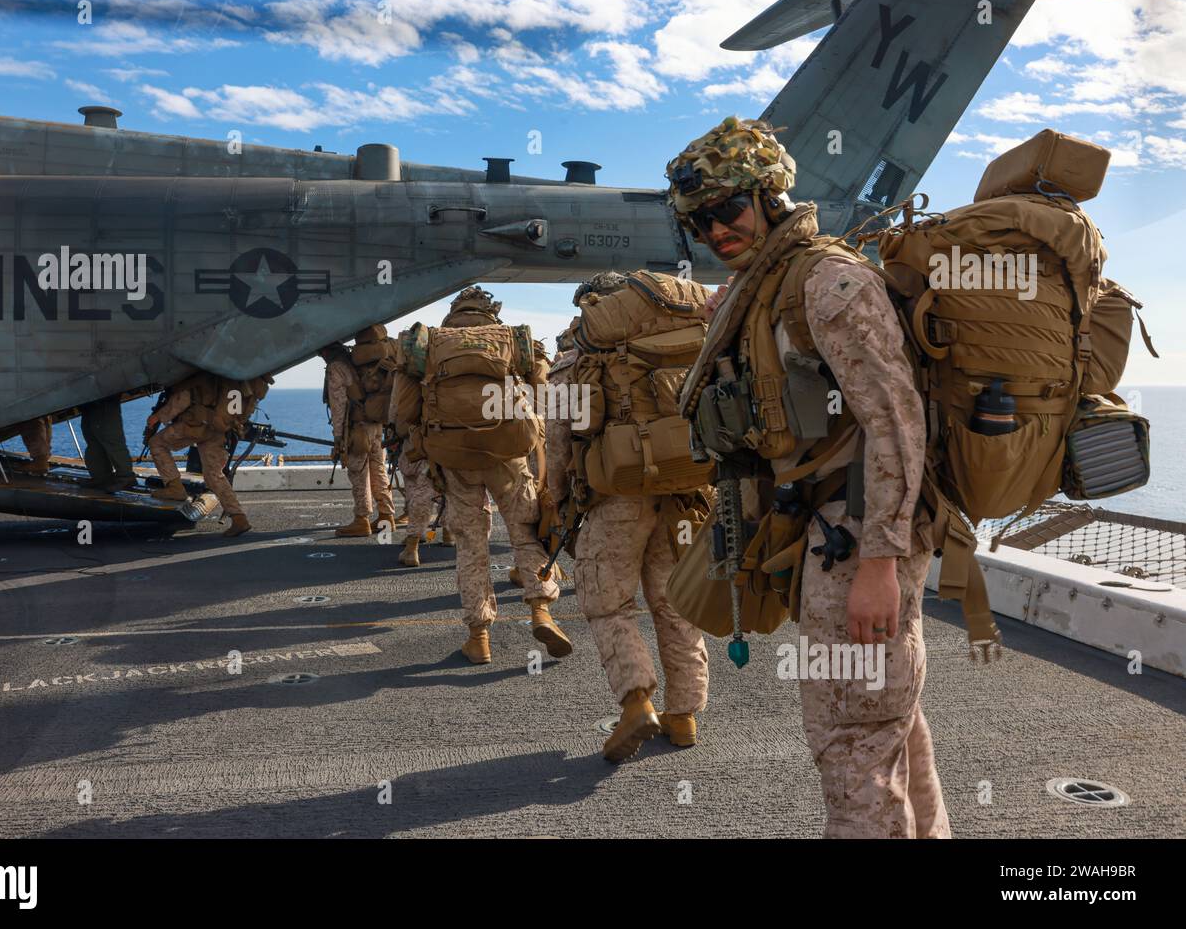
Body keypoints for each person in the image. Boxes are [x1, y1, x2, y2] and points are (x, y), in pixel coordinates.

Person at [667, 116, 947, 837]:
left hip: (857, 530)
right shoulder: (756, 292)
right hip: (820, 530)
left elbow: (895, 421)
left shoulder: (828, 283)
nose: (716, 230)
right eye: (700, 223)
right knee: (886, 721)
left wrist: (880, 560)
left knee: (851, 739)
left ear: (769, 196)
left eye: (727, 208)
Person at [546, 280, 711, 763]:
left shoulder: (579, 354)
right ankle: (684, 717)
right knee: (673, 602)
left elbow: (557, 441)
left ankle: (637, 700)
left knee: (608, 603)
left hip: (614, 497)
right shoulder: (687, 342)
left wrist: (559, 502)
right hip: (685, 488)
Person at [401, 287, 571, 664]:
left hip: (454, 456)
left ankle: (479, 637)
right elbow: (544, 396)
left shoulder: (429, 343)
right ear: (491, 312)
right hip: (508, 453)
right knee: (526, 532)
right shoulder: (515, 338)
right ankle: (541, 608)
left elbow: (403, 410)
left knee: (470, 544)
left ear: (454, 313)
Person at [146, 372, 272, 537]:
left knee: (157, 443)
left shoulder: (201, 375)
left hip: (195, 426)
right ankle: (239, 518)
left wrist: (157, 417)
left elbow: (182, 399)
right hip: (219, 430)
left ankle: (174, 487)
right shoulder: (239, 381)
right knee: (213, 475)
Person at [320, 339, 396, 537]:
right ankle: (386, 515)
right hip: (375, 423)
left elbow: (338, 405)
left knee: (358, 472)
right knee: (378, 469)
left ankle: (361, 519)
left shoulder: (336, 367)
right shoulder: (358, 361)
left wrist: (338, 438)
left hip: (357, 428)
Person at [80, 396, 136, 491]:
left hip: (104, 396)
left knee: (111, 437)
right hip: (88, 400)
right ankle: (101, 477)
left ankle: (126, 478)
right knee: (92, 439)